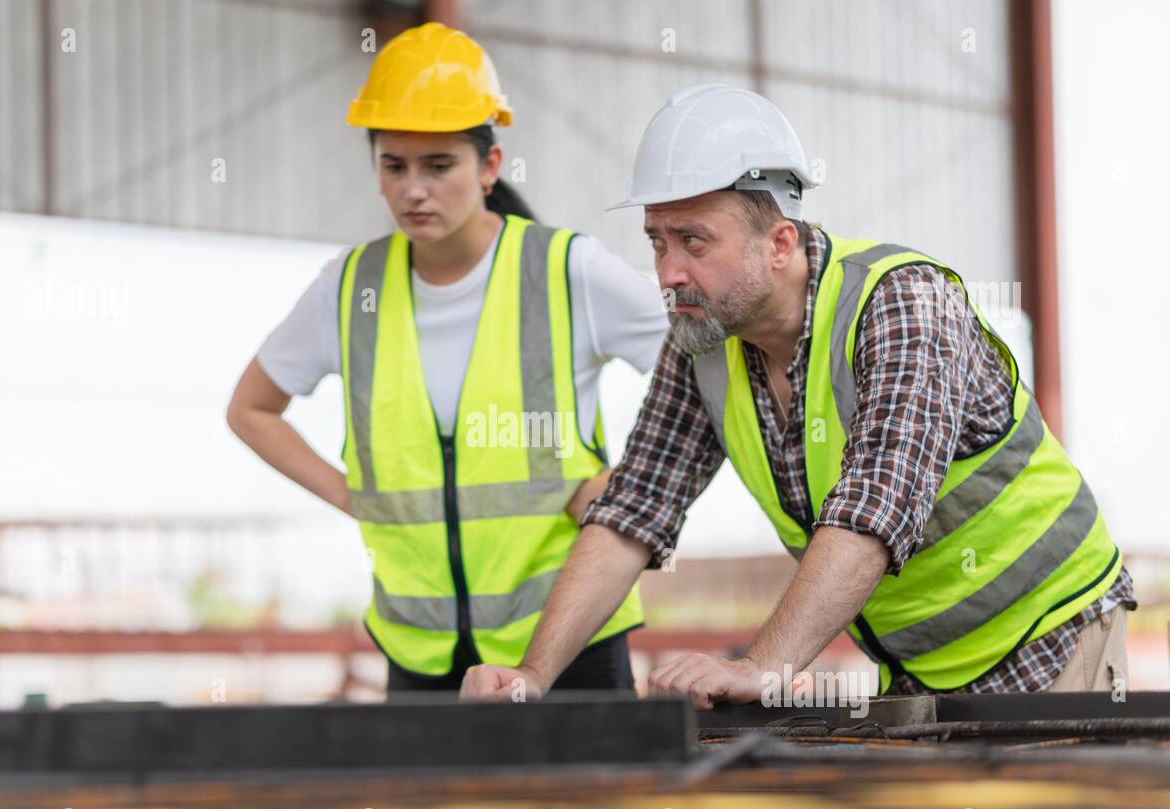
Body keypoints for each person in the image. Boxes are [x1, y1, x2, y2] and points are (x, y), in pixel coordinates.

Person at [461, 84, 1136, 707]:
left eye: (693, 240)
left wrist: (762, 667)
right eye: (656, 242)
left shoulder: (902, 304)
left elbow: (874, 510)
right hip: (922, 671)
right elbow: (630, 512)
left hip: (1052, 638)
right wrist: (531, 677)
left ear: (780, 243)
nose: (668, 273)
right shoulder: (703, 340)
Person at [226, 23, 668, 695]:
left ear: (490, 167)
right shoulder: (350, 289)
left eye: (439, 166)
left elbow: (708, 372)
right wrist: (352, 496)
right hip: (421, 651)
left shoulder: (566, 270)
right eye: (393, 165)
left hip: (570, 638)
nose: (414, 191)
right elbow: (251, 409)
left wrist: (630, 494)